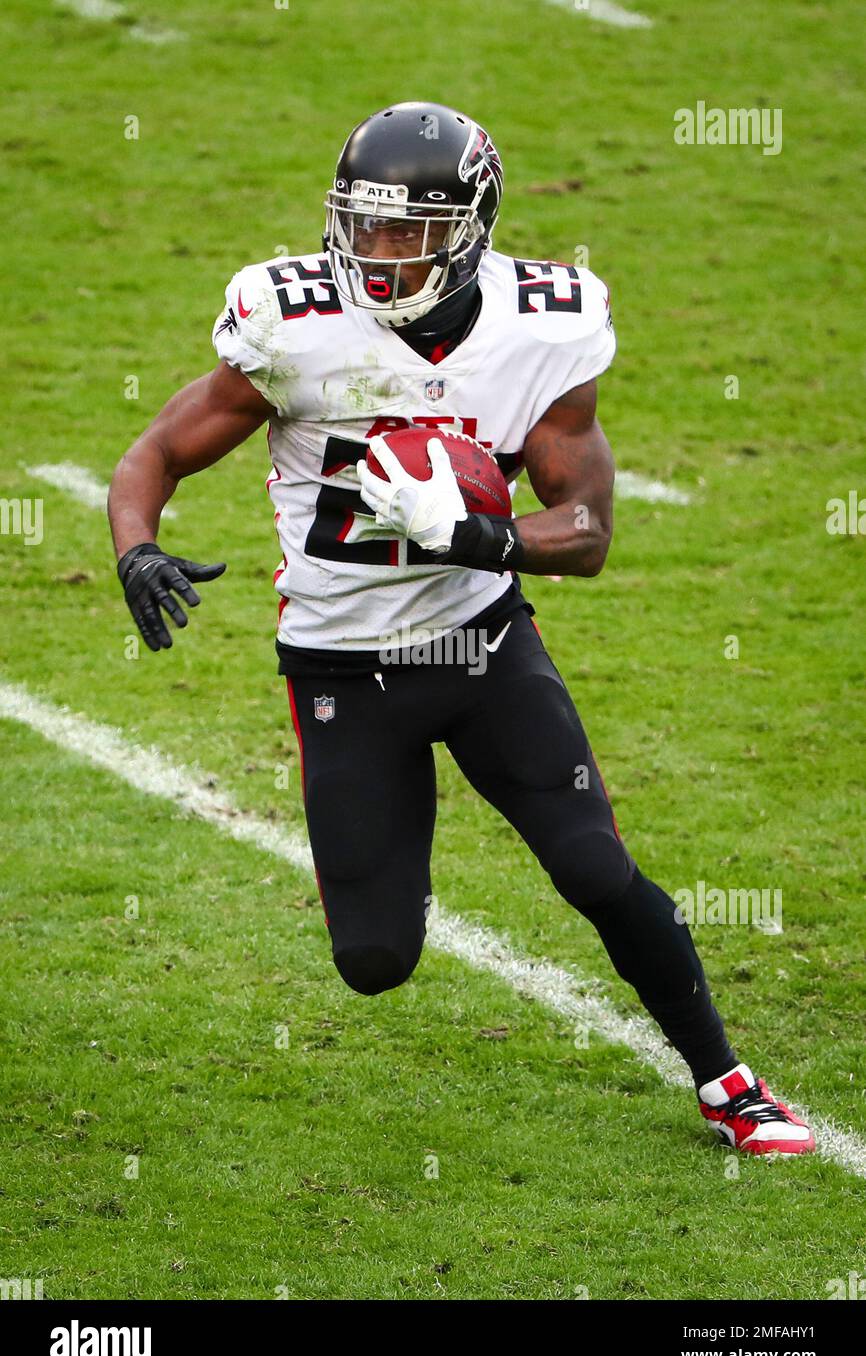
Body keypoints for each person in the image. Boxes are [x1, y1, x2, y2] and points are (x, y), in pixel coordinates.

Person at [108, 101, 813, 1157]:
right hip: (340, 664)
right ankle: (397, 831)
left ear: (472, 227)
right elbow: (153, 453)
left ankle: (728, 1081)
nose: (379, 254)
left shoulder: (543, 326)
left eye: (410, 231)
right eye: (361, 224)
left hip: (481, 646)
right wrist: (134, 547)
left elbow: (585, 534)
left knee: (592, 870)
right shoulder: (289, 319)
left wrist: (475, 536)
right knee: (374, 959)